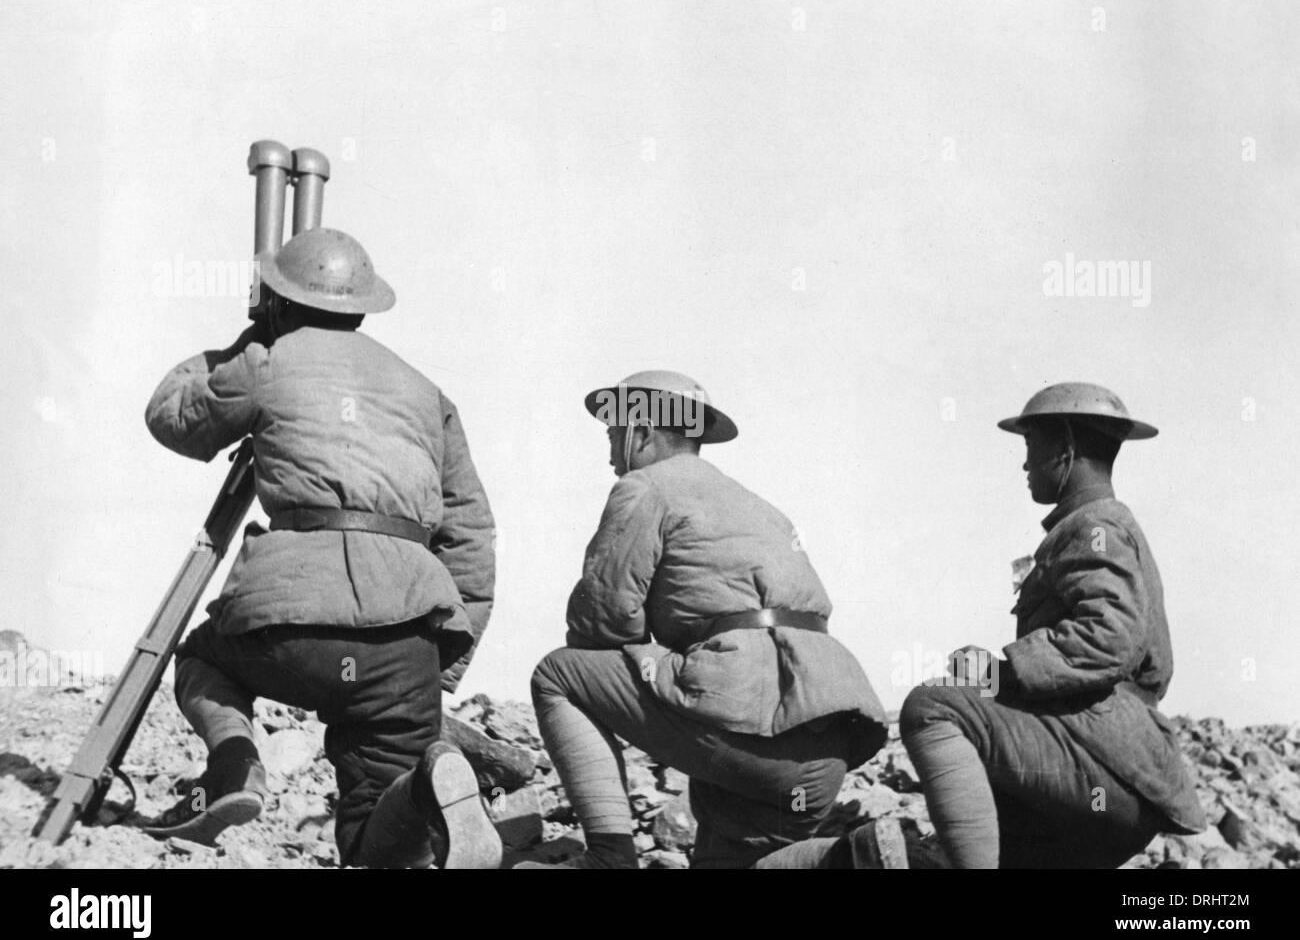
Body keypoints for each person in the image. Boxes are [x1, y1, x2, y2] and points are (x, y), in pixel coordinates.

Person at [142, 227, 501, 868]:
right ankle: (427, 786)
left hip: (290, 629)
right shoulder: (427, 393)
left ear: (278, 300)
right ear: (363, 308)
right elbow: (471, 533)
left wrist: (242, 344)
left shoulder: (265, 362)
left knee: (203, 658)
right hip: (407, 637)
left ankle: (234, 767)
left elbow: (171, 416)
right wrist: (438, 668)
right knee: (373, 839)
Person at [524, 370, 890, 869]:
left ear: (643, 433)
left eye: (613, 435)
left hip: (746, 734)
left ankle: (609, 857)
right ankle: (843, 858)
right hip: (823, 755)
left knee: (558, 673)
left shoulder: (645, 486)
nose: (610, 454)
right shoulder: (761, 507)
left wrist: (649, 650)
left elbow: (601, 619)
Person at [899, 383, 1206, 868]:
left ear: (1063, 449)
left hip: (1109, 764)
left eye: (1031, 448)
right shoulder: (1101, 526)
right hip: (1118, 767)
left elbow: (1110, 638)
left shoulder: (1096, 527)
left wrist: (1007, 670)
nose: (1025, 465)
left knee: (933, 706)